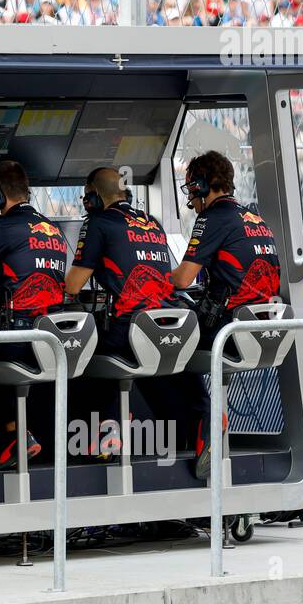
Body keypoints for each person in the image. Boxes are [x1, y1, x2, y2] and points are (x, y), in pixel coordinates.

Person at [168, 151, 281, 476]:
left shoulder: (212, 218)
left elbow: (183, 279)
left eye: (192, 188)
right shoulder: (255, 219)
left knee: (170, 343)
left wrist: (154, 275)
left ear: (203, 185)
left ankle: (203, 424)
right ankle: (205, 426)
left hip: (229, 331)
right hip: (265, 331)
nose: (191, 196)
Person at [64, 166, 176, 458]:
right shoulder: (151, 221)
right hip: (168, 327)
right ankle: (115, 424)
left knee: (80, 351)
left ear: (96, 196)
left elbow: (73, 285)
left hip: (130, 330)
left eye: (87, 196)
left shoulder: (99, 223)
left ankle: (106, 429)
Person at [0, 159, 68, 469]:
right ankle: (23, 436)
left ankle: (12, 438)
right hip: (55, 339)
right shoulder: (54, 229)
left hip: (19, 339)